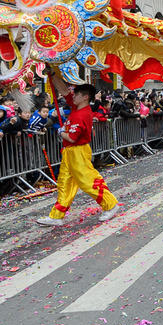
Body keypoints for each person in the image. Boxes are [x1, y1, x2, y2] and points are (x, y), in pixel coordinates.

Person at [37, 76, 121, 228]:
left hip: (78, 151)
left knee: (87, 181)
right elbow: (64, 91)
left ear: (85, 97)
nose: (72, 96)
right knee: (64, 183)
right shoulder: (77, 107)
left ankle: (110, 204)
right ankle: (57, 216)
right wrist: (52, 74)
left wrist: (60, 131)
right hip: (69, 152)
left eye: (76, 94)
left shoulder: (83, 114)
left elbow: (72, 138)